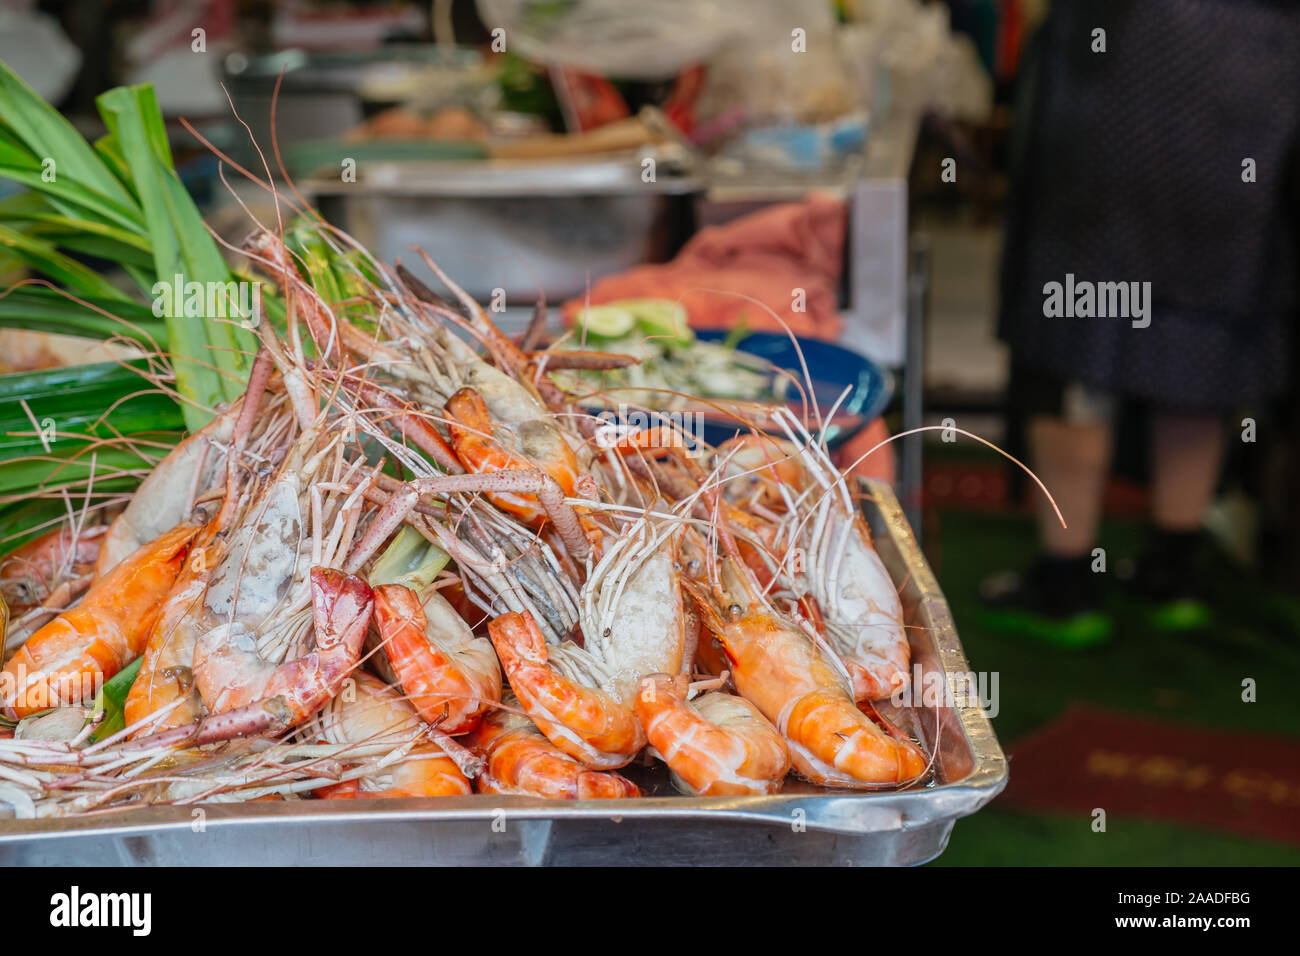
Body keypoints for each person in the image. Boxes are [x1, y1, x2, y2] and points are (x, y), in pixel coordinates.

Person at [980, 0, 1300, 646]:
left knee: (1082, 319)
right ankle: (1171, 571)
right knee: (1204, 312)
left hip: (1130, 67)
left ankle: (1065, 582)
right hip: (1258, 74)